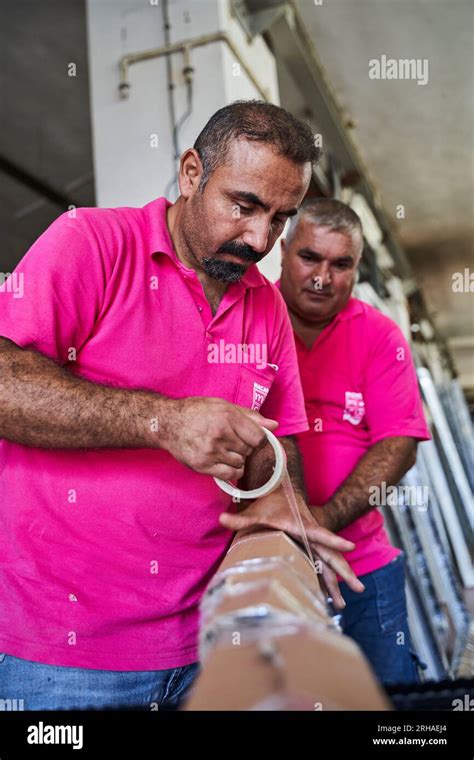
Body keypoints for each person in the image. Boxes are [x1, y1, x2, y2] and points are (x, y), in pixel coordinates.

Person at [0, 102, 363, 710]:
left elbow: (280, 438)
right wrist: (162, 420)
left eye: (280, 218)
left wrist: (284, 501)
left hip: (206, 643)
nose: (259, 239)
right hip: (64, 658)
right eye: (244, 206)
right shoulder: (92, 241)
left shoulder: (266, 305)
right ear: (192, 172)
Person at [277, 198, 431, 685]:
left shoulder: (381, 337)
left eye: (340, 264)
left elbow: (400, 443)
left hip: (360, 561)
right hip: (266, 567)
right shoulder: (247, 316)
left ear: (356, 268)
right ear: (282, 250)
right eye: (309, 258)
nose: (323, 277)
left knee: (392, 708)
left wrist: (319, 524)